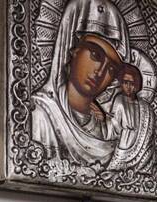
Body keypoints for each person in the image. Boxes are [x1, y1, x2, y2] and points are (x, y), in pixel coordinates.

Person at [29, 0, 130, 167]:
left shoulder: (105, 128)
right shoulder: (41, 114)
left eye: (111, 68)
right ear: (72, 49)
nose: (100, 72)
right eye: (96, 55)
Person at [106, 62, 153, 171]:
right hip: (123, 147)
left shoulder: (145, 106)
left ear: (137, 85)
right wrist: (108, 120)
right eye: (125, 82)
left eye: (132, 83)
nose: (128, 86)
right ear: (121, 83)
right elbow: (113, 126)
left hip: (142, 149)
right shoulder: (119, 100)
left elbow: (150, 131)